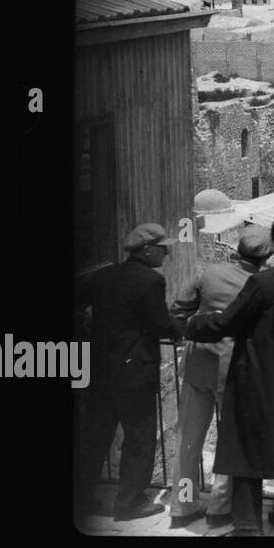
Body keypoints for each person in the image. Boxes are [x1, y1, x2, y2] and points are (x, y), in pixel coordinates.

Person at [187, 216, 274, 536]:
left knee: (245, 449)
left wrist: (195, 324)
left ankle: (249, 524)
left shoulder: (262, 283)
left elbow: (228, 323)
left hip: (254, 377)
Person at [74, 223, 183, 522]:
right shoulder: (151, 281)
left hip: (100, 369)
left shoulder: (103, 275)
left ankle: (81, 500)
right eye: (163, 248)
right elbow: (161, 323)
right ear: (147, 250)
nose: (168, 252)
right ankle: (130, 502)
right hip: (134, 372)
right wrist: (181, 330)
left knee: (95, 436)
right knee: (139, 436)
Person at [167, 226, 274, 530]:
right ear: (266, 256)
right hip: (235, 368)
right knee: (231, 442)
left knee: (188, 439)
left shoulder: (210, 273)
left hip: (199, 361)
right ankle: (218, 508)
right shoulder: (262, 284)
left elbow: (178, 309)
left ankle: (182, 505)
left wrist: (189, 333)